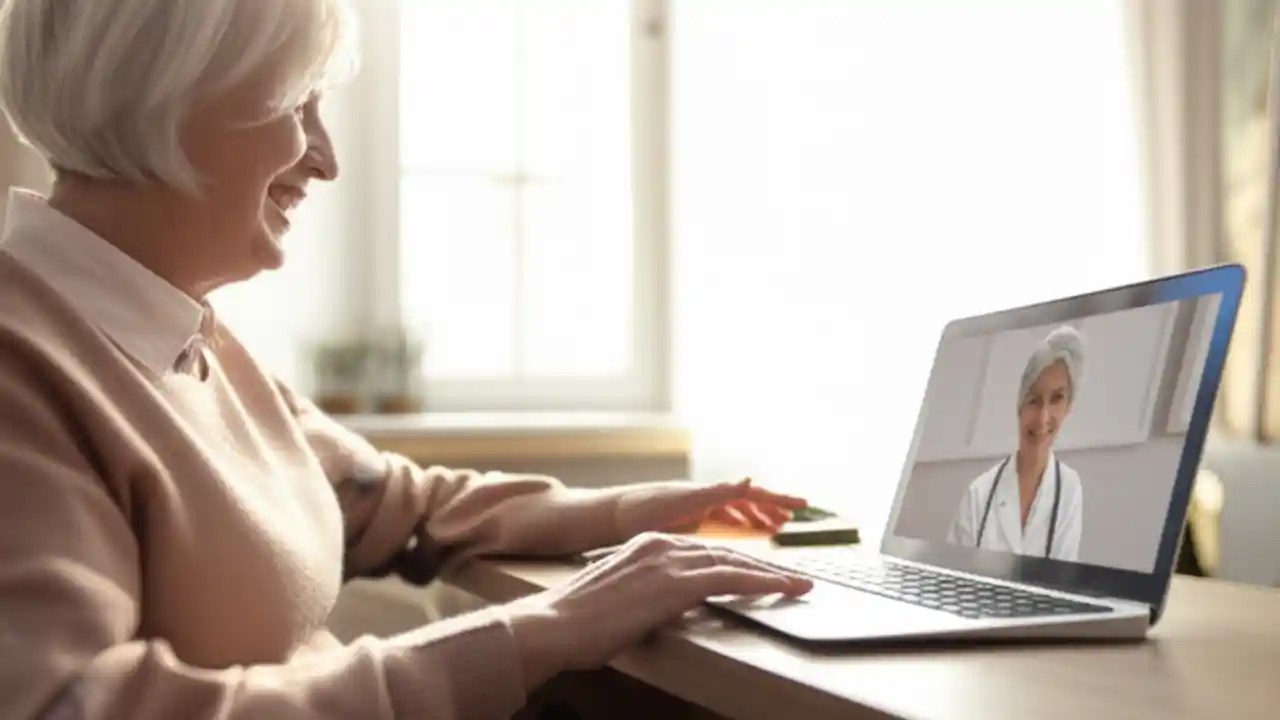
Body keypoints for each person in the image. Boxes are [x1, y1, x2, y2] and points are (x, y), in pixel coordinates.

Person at [0, 2, 813, 718]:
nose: (325, 158)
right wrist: (534, 635)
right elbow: (68, 707)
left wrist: (654, 512)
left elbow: (394, 503)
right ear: (162, 96)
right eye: (297, 104)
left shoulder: (178, 330)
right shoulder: (23, 363)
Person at [946, 325, 1085, 561]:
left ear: (1068, 405)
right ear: (1020, 405)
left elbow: (1062, 587)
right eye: (1033, 400)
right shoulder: (978, 494)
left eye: (1056, 399)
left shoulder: (1070, 490)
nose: (1043, 418)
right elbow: (949, 580)